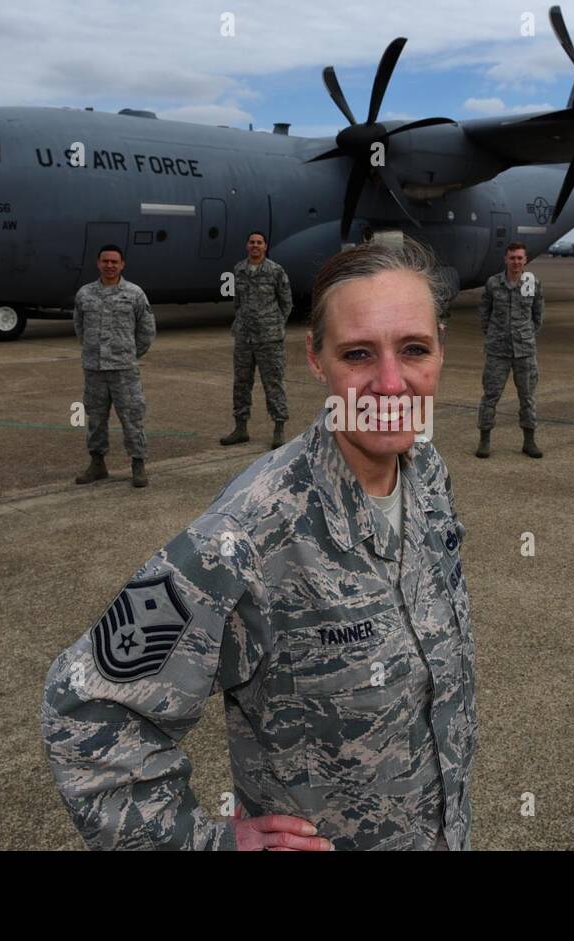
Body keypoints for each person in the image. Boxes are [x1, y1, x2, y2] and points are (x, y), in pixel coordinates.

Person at [43, 240, 477, 850]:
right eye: (357, 354)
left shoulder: (426, 471)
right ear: (316, 359)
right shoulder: (251, 530)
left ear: (439, 350)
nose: (390, 383)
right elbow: (86, 707)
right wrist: (205, 844)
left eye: (414, 349)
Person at [72, 245, 156, 489]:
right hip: (94, 370)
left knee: (132, 418)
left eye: (114, 262)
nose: (110, 265)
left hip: (124, 370)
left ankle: (138, 464)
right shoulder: (85, 294)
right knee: (95, 419)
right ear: (98, 263)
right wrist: (93, 350)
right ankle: (97, 464)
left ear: (122, 265)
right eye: (105, 261)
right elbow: (79, 326)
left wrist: (128, 354)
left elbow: (146, 330)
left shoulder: (134, 293)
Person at [219, 231, 294, 449]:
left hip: (269, 338)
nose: (255, 246)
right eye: (252, 242)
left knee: (273, 383)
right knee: (241, 382)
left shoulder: (275, 271)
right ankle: (240, 428)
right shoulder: (239, 270)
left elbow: (286, 302)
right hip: (244, 336)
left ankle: (279, 428)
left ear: (265, 246)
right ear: (247, 246)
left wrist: (274, 325)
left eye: (259, 243)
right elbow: (237, 301)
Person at [475, 242, 544, 459]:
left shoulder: (532, 283)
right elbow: (484, 312)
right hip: (498, 351)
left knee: (528, 397)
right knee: (490, 396)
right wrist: (494, 335)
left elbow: (538, 315)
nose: (516, 262)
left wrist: (526, 334)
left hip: (524, 351)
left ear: (525, 260)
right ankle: (484, 440)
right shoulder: (494, 283)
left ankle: (529, 441)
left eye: (520, 258)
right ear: (506, 259)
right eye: (512, 258)